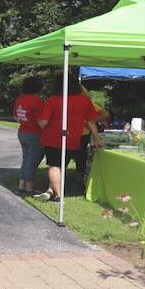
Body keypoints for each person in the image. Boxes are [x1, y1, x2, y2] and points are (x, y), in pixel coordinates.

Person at [33, 73, 103, 203]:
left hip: (52, 138)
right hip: (72, 138)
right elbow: (91, 122)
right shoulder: (84, 100)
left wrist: (37, 120)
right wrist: (97, 138)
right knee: (62, 166)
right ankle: (51, 191)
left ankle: (59, 195)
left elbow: (43, 122)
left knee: (54, 165)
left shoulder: (52, 100)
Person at [13, 77, 46, 195]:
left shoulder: (20, 99)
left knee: (26, 159)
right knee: (33, 160)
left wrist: (25, 122)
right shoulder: (37, 101)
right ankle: (29, 188)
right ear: (38, 88)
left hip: (22, 132)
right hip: (34, 134)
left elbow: (16, 117)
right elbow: (41, 121)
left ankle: (21, 185)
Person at [75, 83, 111, 184]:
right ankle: (79, 177)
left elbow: (105, 114)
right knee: (81, 156)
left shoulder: (86, 102)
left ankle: (79, 177)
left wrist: (90, 121)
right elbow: (105, 114)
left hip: (81, 133)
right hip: (82, 134)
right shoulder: (86, 102)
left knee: (80, 156)